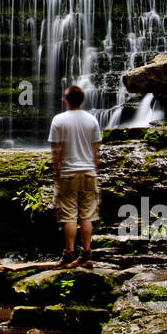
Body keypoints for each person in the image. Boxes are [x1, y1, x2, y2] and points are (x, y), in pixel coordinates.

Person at [47, 84, 102, 268]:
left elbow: (56, 151)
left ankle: (69, 255)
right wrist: (94, 169)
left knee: (69, 215)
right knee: (87, 216)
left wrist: (56, 172)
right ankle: (87, 255)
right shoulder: (92, 120)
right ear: (83, 100)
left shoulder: (58, 120)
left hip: (68, 173)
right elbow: (96, 150)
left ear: (66, 100)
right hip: (88, 172)